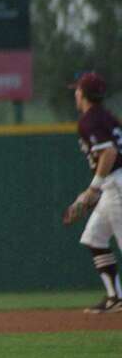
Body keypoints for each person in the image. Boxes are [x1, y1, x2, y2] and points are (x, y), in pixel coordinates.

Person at [61, 71, 122, 313]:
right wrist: (92, 194)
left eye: (77, 90)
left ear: (83, 94)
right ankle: (115, 297)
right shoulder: (107, 117)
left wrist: (93, 188)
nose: (75, 94)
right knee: (94, 237)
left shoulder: (89, 120)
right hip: (111, 185)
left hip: (117, 185)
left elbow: (110, 153)